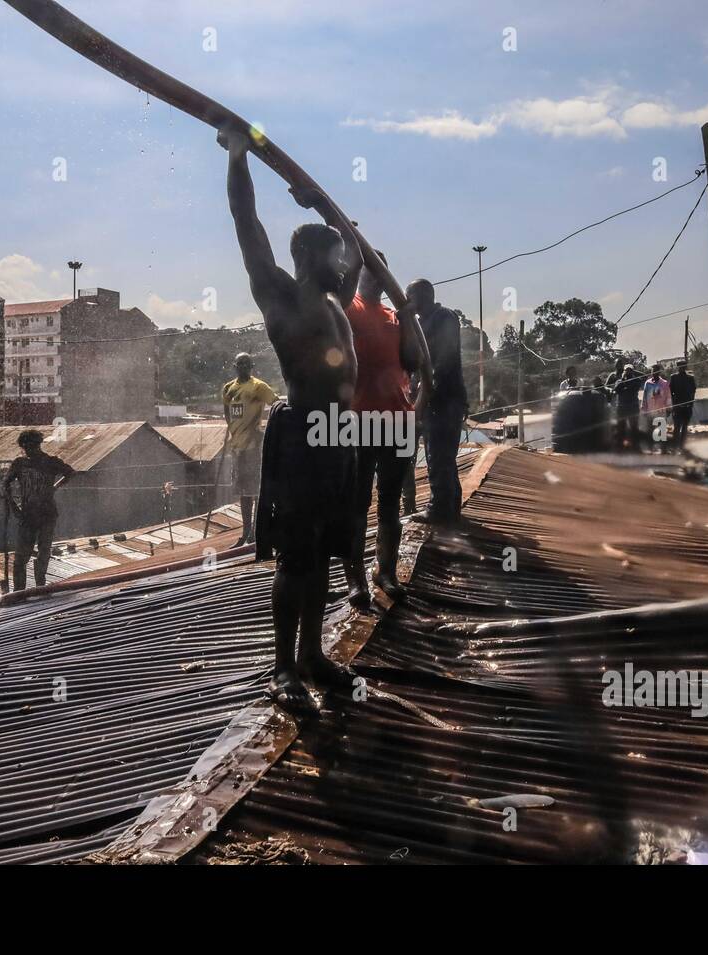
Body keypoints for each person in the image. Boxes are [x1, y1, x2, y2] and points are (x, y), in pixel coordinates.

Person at [220, 121, 368, 713]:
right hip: (304, 433)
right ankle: (284, 669)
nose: (341, 258)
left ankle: (312, 654)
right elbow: (247, 226)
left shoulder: (338, 295)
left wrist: (320, 203)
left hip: (340, 438)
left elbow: (359, 251)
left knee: (329, 549)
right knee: (298, 555)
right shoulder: (279, 291)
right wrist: (239, 158)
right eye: (330, 250)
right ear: (307, 254)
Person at [343, 253, 431, 610]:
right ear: (359, 271)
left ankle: (386, 571)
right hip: (357, 420)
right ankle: (356, 580)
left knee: (390, 504)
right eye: (370, 268)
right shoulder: (348, 307)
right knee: (356, 505)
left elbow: (412, 362)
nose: (378, 275)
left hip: (397, 420)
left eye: (382, 269)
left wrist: (408, 321)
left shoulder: (394, 316)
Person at [406, 279, 467, 527]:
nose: (407, 302)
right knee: (442, 456)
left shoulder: (444, 317)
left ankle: (439, 508)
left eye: (410, 297)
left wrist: (427, 384)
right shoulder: (421, 323)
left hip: (445, 399)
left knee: (438, 455)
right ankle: (450, 507)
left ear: (422, 296)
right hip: (434, 399)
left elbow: (446, 356)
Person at [3, 429, 76, 591]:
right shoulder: (20, 464)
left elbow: (70, 473)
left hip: (46, 514)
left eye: (32, 446)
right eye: (26, 447)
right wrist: (14, 507)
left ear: (38, 445)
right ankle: (19, 592)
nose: (29, 450)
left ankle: (39, 587)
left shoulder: (49, 462)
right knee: (22, 557)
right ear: (23, 447)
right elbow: (5, 484)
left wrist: (54, 488)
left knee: (43, 553)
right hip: (28, 515)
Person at [221, 353, 279, 547]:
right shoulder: (228, 388)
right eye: (240, 364)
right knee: (243, 492)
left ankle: (256, 531)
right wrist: (235, 434)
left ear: (252, 366)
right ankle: (246, 532)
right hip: (237, 449)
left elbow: (277, 403)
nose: (244, 367)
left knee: (256, 490)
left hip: (254, 448)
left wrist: (263, 432)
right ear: (235, 366)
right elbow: (227, 413)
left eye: (247, 364)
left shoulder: (259, 387)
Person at [612, 364, 645, 452]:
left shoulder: (637, 380)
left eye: (630, 370)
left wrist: (624, 385)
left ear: (633, 372)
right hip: (621, 407)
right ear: (624, 371)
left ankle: (635, 446)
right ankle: (620, 447)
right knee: (620, 427)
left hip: (632, 407)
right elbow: (616, 390)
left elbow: (633, 389)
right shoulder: (619, 381)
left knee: (634, 427)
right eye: (626, 370)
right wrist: (623, 380)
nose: (628, 372)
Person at [640, 364, 672, 453]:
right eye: (652, 371)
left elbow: (668, 397)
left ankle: (663, 450)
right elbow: (644, 396)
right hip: (650, 410)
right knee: (650, 430)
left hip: (661, 411)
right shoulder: (648, 383)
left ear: (659, 372)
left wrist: (669, 408)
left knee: (661, 431)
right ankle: (651, 449)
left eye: (655, 371)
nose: (653, 373)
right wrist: (643, 409)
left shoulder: (664, 383)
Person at [669, 360, 696, 450]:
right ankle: (674, 446)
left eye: (683, 366)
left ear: (685, 367)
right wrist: (673, 405)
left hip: (687, 407)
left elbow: (693, 392)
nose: (681, 368)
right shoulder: (674, 377)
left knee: (684, 428)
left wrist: (691, 404)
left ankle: (682, 446)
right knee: (677, 427)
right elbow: (670, 392)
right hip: (677, 407)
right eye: (680, 367)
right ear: (678, 367)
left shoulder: (690, 378)